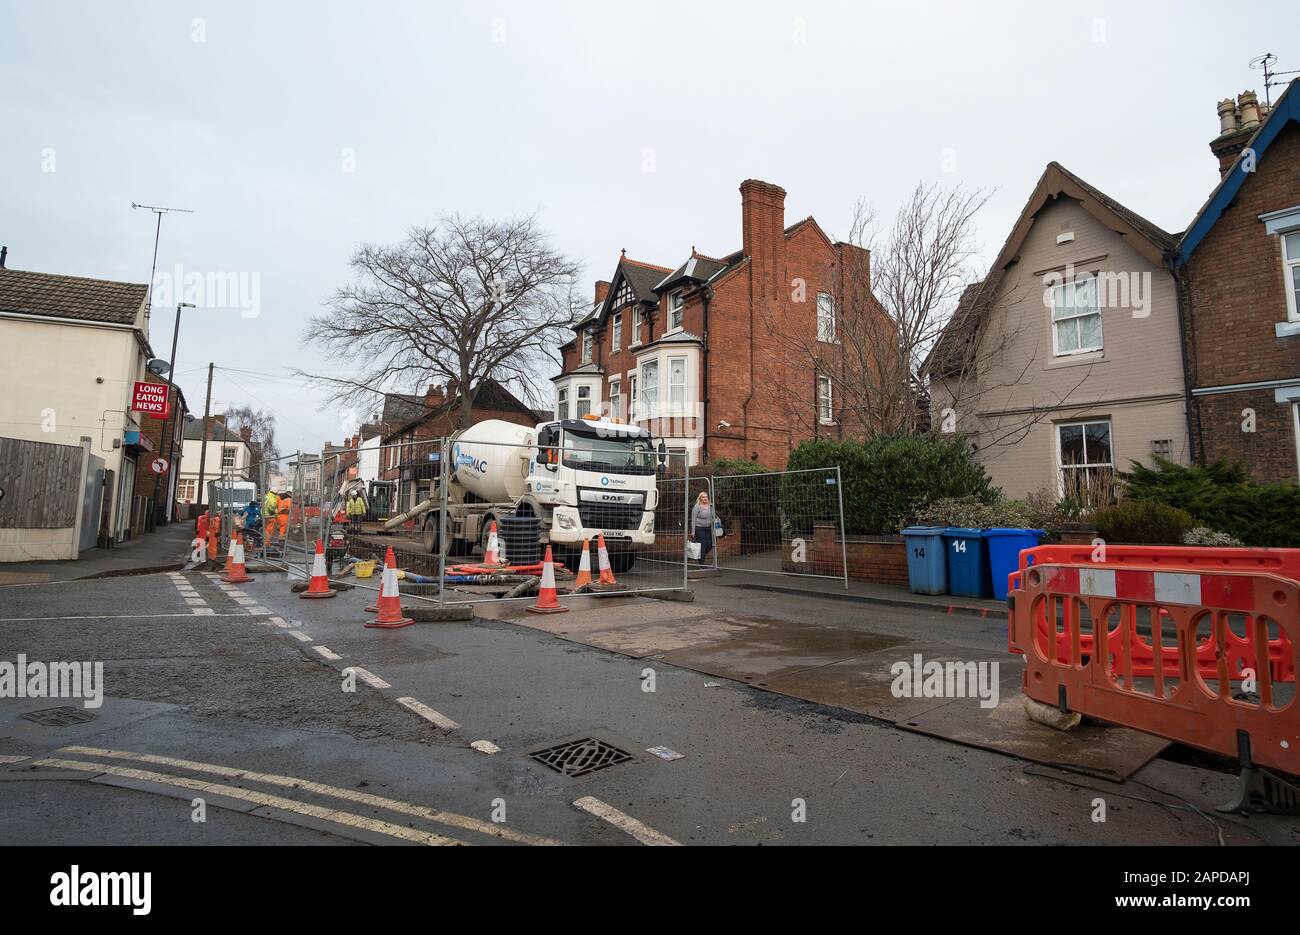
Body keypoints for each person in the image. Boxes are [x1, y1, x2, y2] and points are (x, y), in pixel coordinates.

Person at [689, 491, 717, 563]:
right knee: (703, 546)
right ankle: (701, 563)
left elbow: (714, 516)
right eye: (703, 497)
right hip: (699, 529)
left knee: (710, 544)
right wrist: (693, 531)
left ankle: (701, 556)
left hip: (708, 528)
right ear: (700, 498)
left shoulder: (711, 506)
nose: (705, 498)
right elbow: (693, 520)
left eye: (706, 497)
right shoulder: (697, 507)